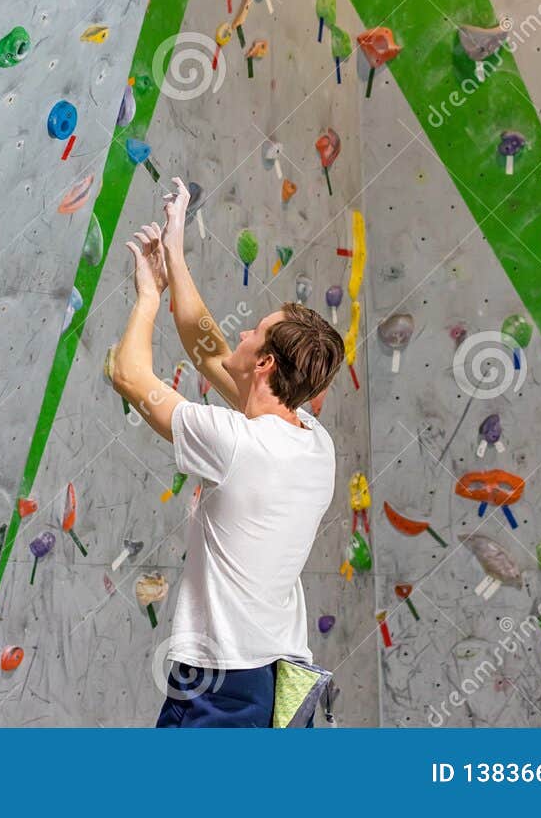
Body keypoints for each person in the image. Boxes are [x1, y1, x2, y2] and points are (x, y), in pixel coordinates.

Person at [109, 178, 345, 728]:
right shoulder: (311, 439)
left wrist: (148, 295)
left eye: (254, 332)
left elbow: (129, 374)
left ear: (263, 365)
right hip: (266, 677)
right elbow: (205, 343)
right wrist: (174, 250)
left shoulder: (239, 443)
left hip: (224, 683)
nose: (238, 331)